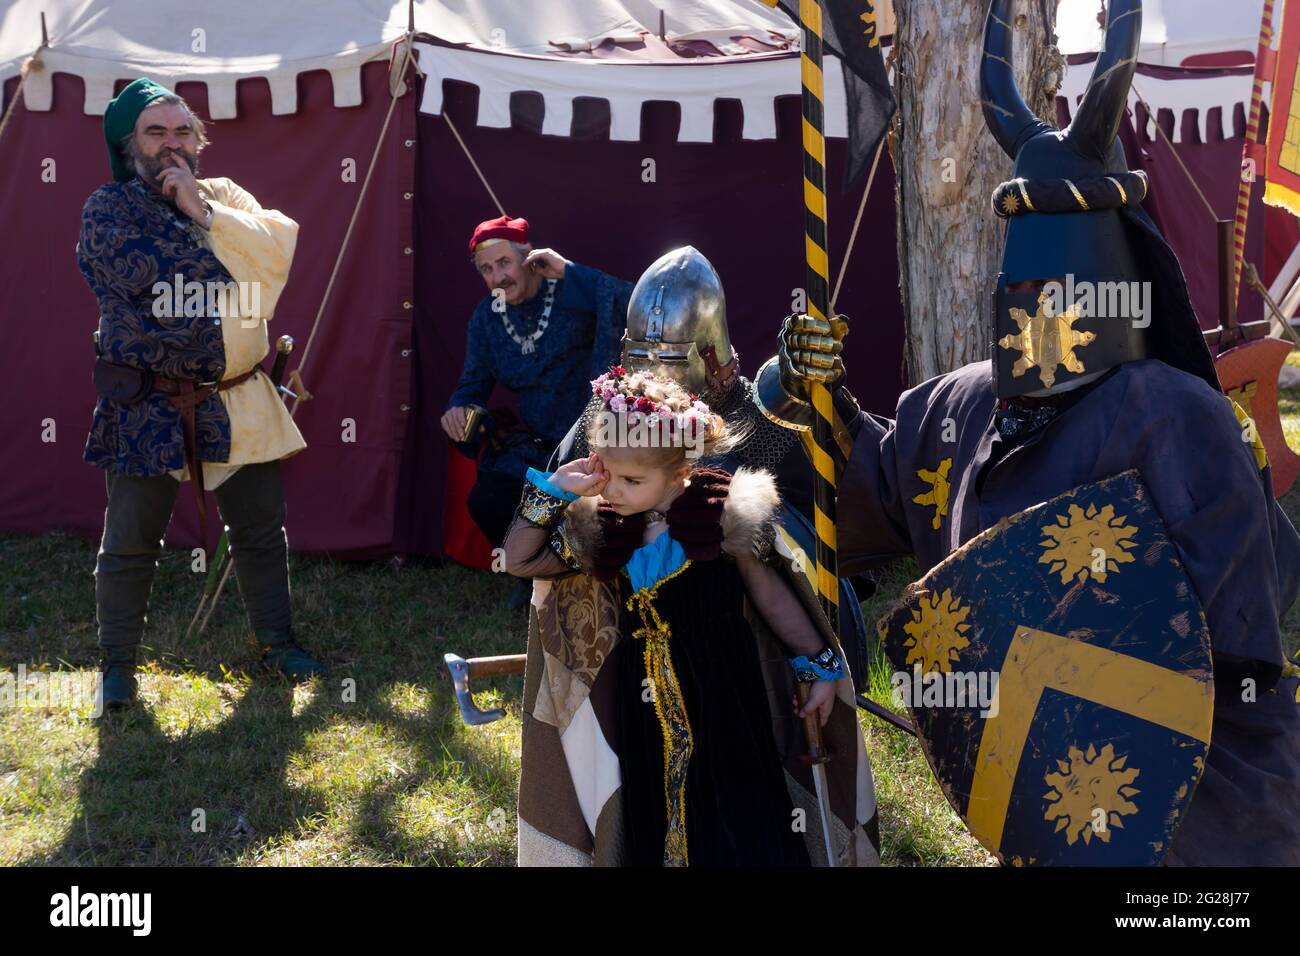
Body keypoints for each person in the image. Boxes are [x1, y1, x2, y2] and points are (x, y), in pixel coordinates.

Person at [785, 0, 1300, 864]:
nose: (1040, 291)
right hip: (1057, 803)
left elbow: (1233, 645)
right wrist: (812, 390)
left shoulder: (1176, 416)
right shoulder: (962, 406)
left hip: (1203, 806)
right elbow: (863, 479)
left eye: (1060, 261)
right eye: (1023, 264)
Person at [501, 368, 877, 866]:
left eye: (634, 481)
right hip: (643, 710)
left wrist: (819, 664)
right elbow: (519, 559)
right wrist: (556, 488)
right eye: (609, 474)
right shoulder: (604, 529)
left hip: (724, 698)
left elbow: (770, 593)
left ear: (680, 470)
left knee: (741, 815)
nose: (615, 491)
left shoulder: (719, 513)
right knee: (654, 814)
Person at [78, 78, 322, 710]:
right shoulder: (109, 208)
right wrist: (235, 257)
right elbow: (168, 280)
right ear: (129, 144)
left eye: (182, 130)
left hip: (237, 394)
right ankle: (117, 669)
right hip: (149, 401)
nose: (172, 144)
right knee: (131, 540)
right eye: (155, 132)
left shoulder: (224, 196)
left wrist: (205, 212)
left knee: (262, 531)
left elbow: (278, 260)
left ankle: (276, 643)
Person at [547, 245, 877, 690]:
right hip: (631, 629)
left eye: (670, 357)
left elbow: (838, 486)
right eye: (641, 356)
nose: (654, 376)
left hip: (737, 637)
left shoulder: (754, 414)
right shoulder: (607, 416)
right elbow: (559, 515)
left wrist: (814, 392)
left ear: (710, 355)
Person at [441, 216, 632, 595]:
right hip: (534, 445)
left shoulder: (570, 293)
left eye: (504, 263)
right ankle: (536, 574)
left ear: (528, 260)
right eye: (487, 269)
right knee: (488, 499)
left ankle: (581, 574)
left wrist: (570, 272)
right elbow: (473, 383)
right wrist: (459, 408)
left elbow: (634, 302)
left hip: (594, 434)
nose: (498, 277)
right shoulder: (487, 318)